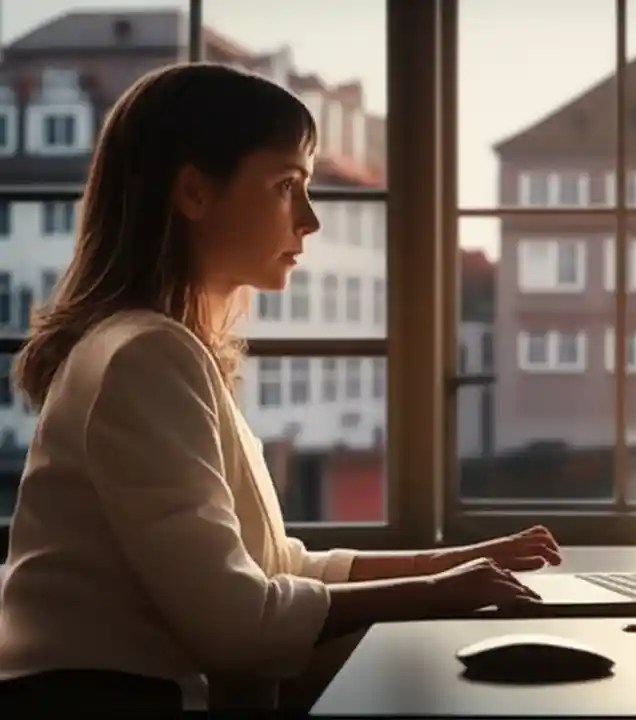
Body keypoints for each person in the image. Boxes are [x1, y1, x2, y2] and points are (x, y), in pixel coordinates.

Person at [0, 63, 561, 713]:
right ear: (193, 193)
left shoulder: (152, 347)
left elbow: (273, 566)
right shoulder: (144, 356)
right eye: (286, 185)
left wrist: (449, 565)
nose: (310, 220)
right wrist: (436, 593)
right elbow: (241, 624)